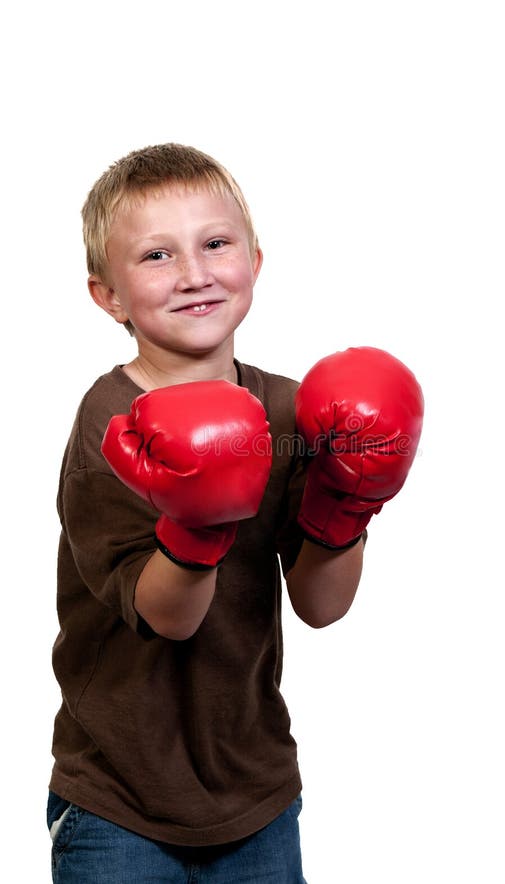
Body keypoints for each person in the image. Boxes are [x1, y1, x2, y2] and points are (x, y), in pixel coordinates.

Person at [47, 143, 424, 883]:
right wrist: (198, 517)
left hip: (257, 793)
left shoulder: (292, 409)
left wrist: (349, 503)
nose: (193, 274)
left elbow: (320, 605)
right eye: (157, 255)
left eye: (216, 244)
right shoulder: (109, 421)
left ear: (255, 259)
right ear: (108, 296)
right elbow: (168, 617)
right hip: (118, 800)